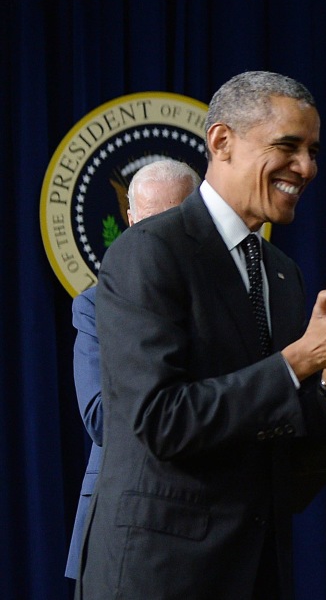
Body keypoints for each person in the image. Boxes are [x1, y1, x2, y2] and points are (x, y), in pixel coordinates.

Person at [77, 71, 326, 599]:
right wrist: (298, 361)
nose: (306, 167)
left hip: (256, 574)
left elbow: (282, 474)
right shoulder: (148, 252)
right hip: (161, 578)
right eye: (287, 147)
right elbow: (159, 422)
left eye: (313, 151)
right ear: (222, 142)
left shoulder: (280, 273)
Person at [65, 159, 199, 581]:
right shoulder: (94, 306)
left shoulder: (227, 302)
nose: (156, 240)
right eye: (146, 224)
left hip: (213, 527)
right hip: (121, 528)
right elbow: (102, 420)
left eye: (172, 223)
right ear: (129, 221)